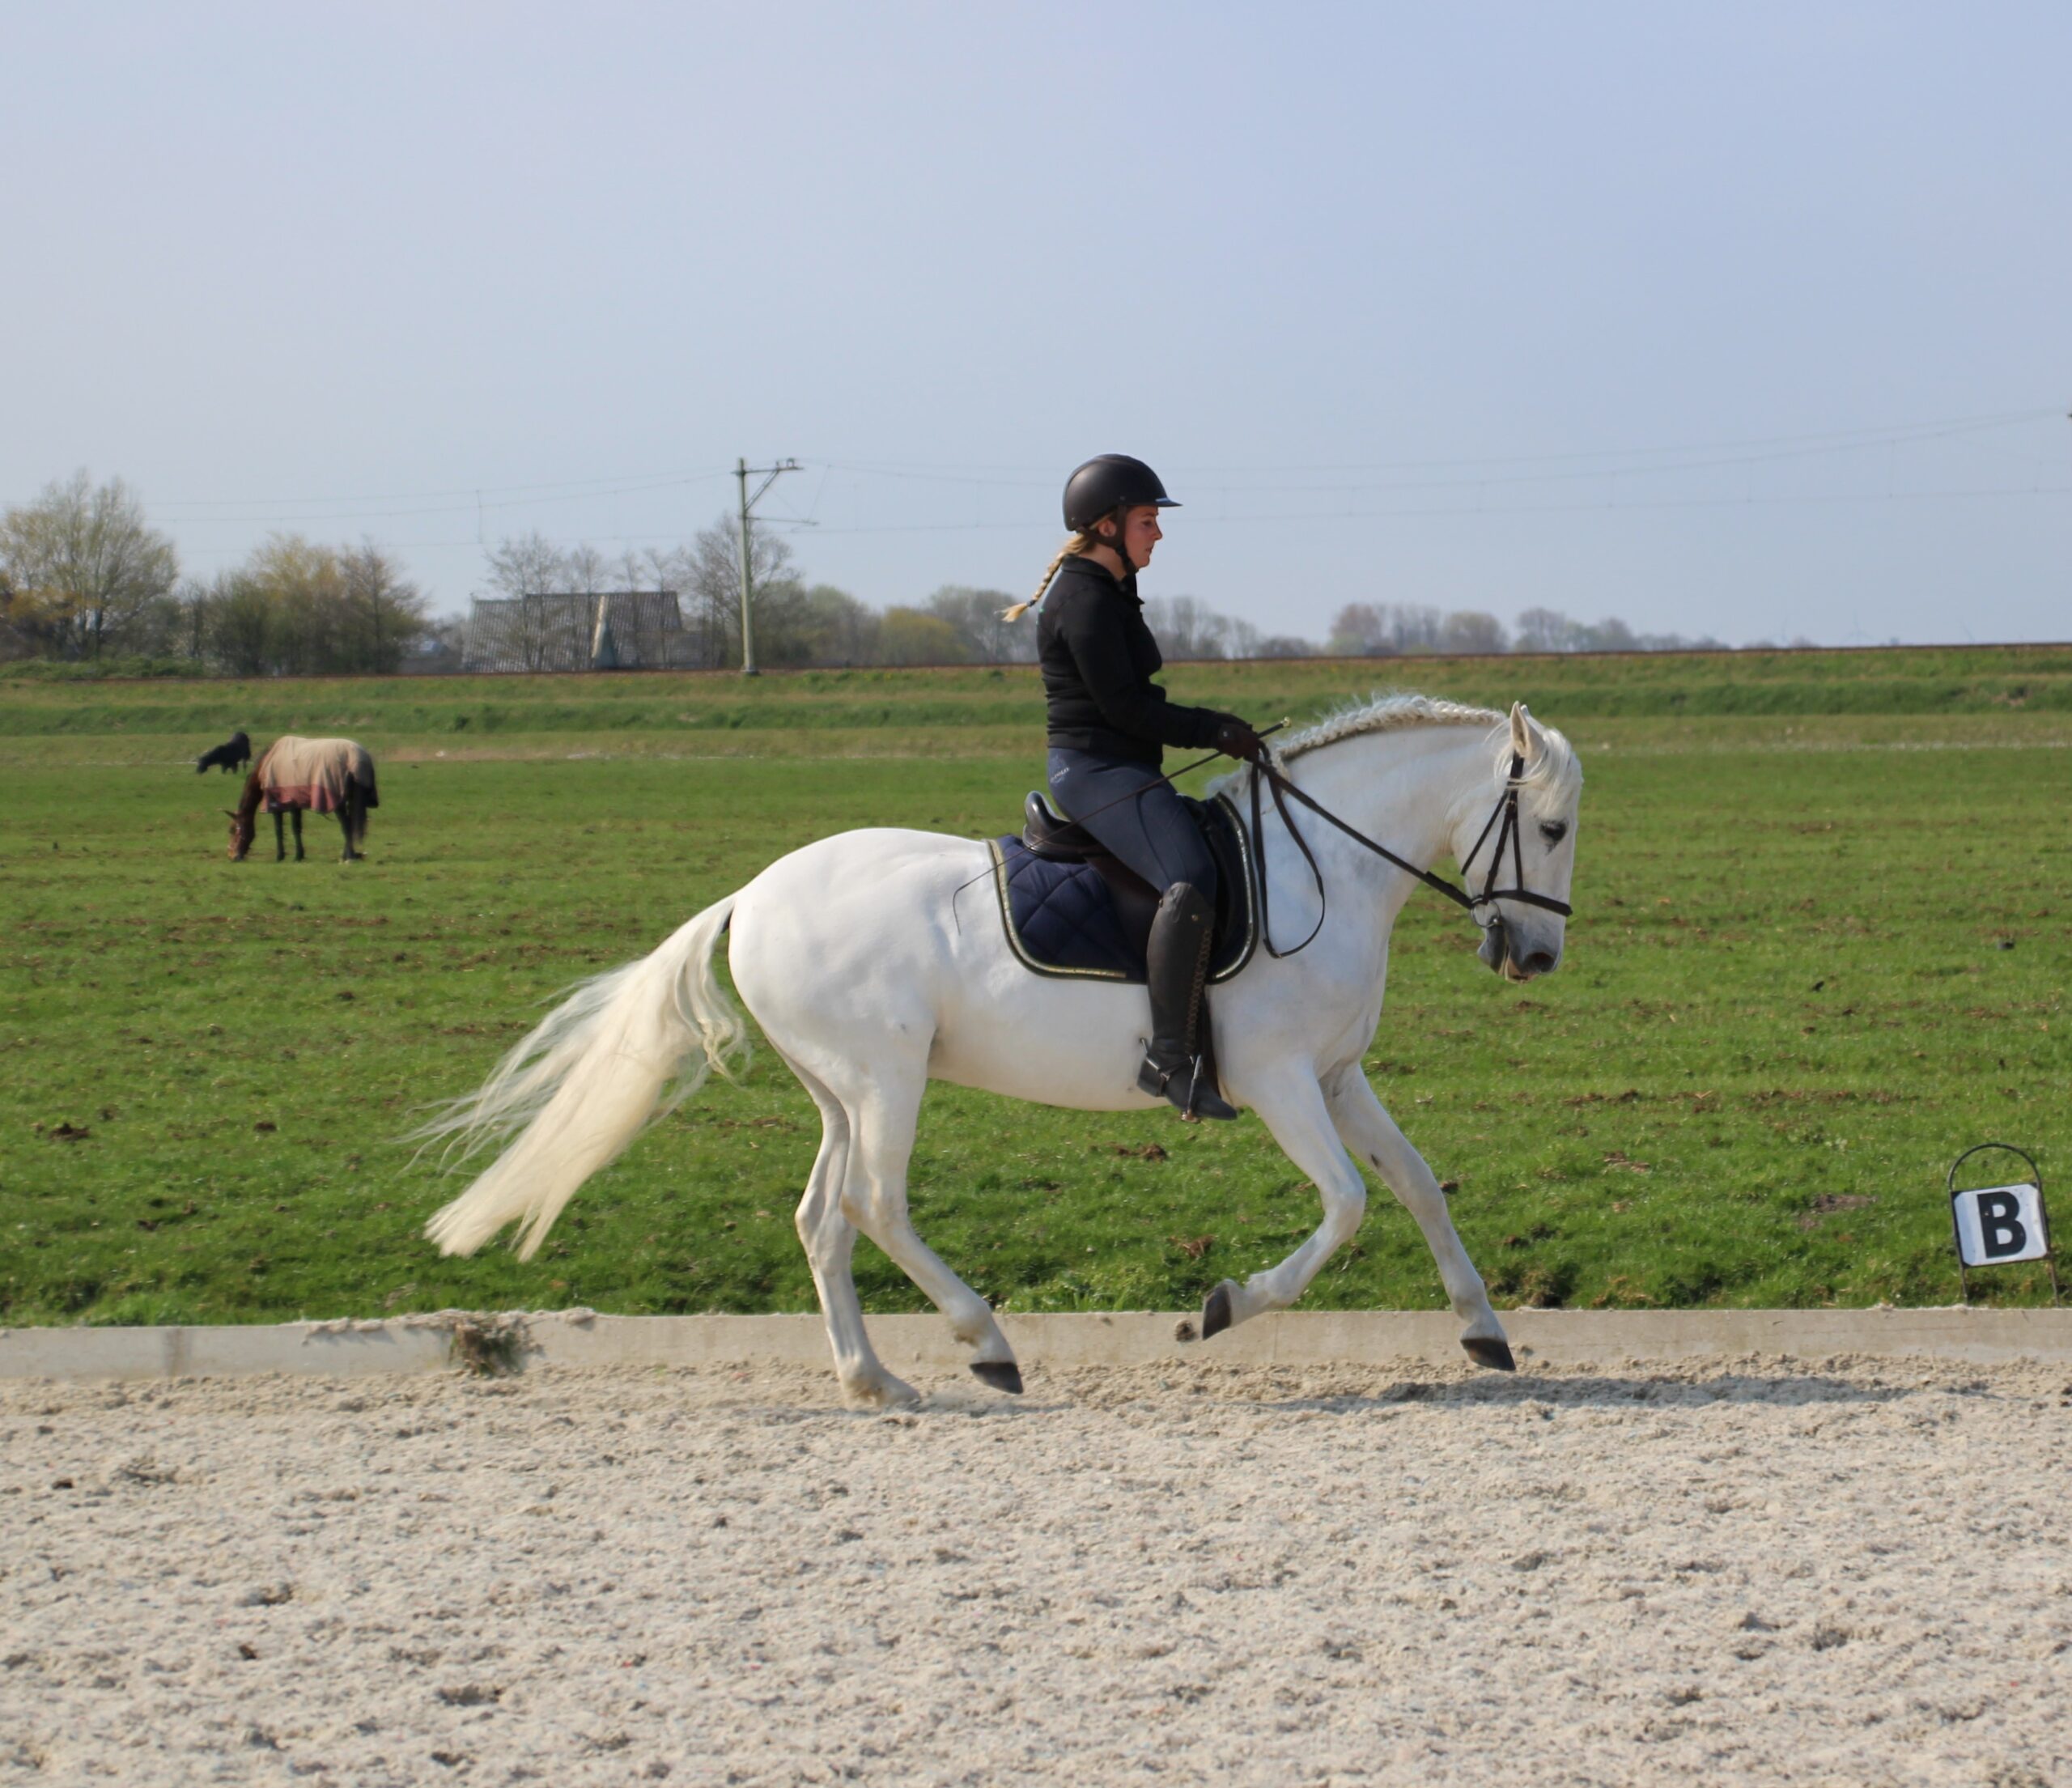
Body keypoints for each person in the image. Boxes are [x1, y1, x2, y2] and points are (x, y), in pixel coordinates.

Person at [1003, 454, 1267, 1120]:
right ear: (1108, 525)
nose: (1158, 534)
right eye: (1148, 521)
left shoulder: (1111, 588)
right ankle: (1171, 1059)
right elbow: (1126, 709)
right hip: (1093, 771)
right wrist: (1214, 729)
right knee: (1189, 874)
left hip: (1122, 765)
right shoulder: (1085, 599)